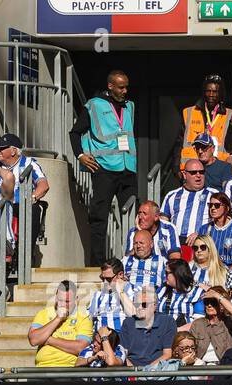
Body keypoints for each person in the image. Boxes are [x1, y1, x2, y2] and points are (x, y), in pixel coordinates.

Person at [71, 70, 136, 266]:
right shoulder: (94, 105)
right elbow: (75, 132)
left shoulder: (130, 105)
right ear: (110, 86)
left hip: (127, 168)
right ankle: (96, 263)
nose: (125, 91)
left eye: (126, 87)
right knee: (99, 217)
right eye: (121, 87)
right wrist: (81, 156)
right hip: (104, 169)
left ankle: (133, 259)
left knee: (134, 216)